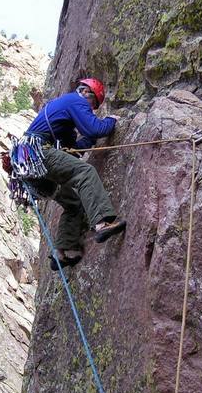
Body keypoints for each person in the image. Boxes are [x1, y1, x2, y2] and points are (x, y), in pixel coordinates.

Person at [24, 77, 126, 270]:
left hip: (31, 167)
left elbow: (72, 149)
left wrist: (88, 142)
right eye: (93, 104)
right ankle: (102, 223)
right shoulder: (75, 100)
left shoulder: (61, 110)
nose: (91, 109)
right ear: (86, 93)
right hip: (38, 153)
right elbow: (94, 129)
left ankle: (62, 252)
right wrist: (111, 120)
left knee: (74, 203)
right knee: (85, 172)